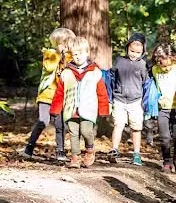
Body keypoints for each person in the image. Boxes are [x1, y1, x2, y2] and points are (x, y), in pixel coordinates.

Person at [49, 37, 109, 169]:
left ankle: (90, 149)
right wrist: (55, 109)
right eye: (75, 54)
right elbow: (60, 93)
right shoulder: (66, 72)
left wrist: (104, 110)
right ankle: (75, 157)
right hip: (71, 109)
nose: (78, 57)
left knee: (86, 131)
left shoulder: (95, 72)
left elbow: (102, 92)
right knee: (73, 133)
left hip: (88, 109)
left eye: (81, 53)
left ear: (87, 53)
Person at [22, 27, 75, 161]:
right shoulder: (50, 54)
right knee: (43, 121)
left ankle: (60, 152)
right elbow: (49, 68)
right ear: (59, 43)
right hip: (46, 95)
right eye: (66, 42)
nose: (68, 46)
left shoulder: (69, 57)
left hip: (60, 97)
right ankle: (29, 148)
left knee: (60, 124)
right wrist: (58, 54)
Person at [145, 43, 176, 174]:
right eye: (161, 64)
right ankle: (166, 161)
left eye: (167, 65)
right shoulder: (154, 70)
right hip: (162, 108)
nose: (164, 68)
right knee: (165, 138)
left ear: (174, 58)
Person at [108, 33, 149, 166]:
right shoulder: (120, 61)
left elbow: (145, 82)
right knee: (118, 124)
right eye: (132, 51)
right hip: (119, 99)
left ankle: (136, 154)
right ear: (127, 48)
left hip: (136, 101)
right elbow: (112, 77)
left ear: (143, 51)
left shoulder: (142, 65)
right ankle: (114, 149)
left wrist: (146, 102)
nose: (134, 54)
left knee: (136, 128)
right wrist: (111, 96)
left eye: (138, 52)